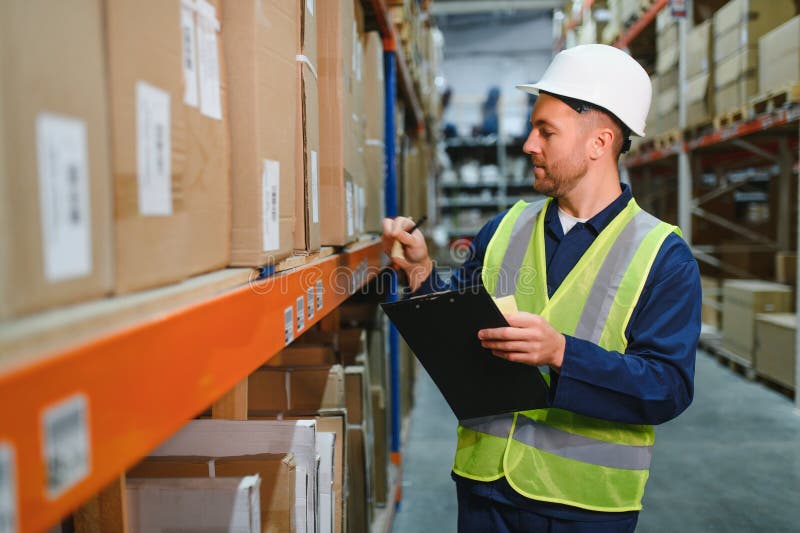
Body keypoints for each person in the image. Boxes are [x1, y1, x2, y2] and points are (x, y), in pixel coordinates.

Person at [381, 44, 701, 532]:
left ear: (600, 142)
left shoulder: (662, 256)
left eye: (545, 131)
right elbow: (457, 337)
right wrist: (422, 274)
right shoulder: (504, 229)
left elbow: (668, 388)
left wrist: (562, 354)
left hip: (581, 508)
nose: (529, 144)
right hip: (484, 490)